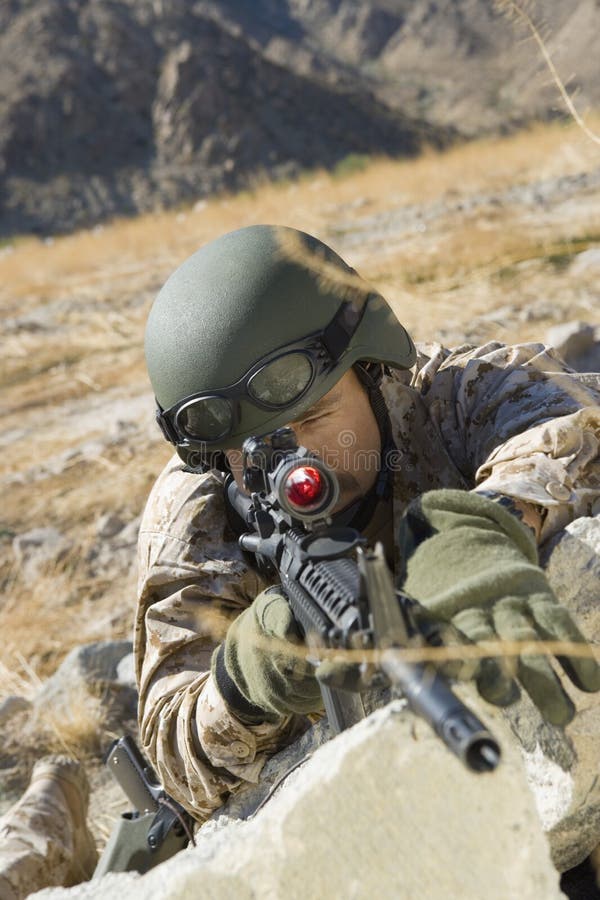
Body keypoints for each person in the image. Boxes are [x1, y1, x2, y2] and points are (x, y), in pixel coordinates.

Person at [137, 223, 600, 846]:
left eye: (316, 417)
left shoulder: (450, 393)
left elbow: (575, 420)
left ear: (371, 369)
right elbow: (172, 749)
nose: (305, 465)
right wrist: (253, 670)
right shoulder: (198, 511)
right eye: (254, 455)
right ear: (215, 457)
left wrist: (487, 524)